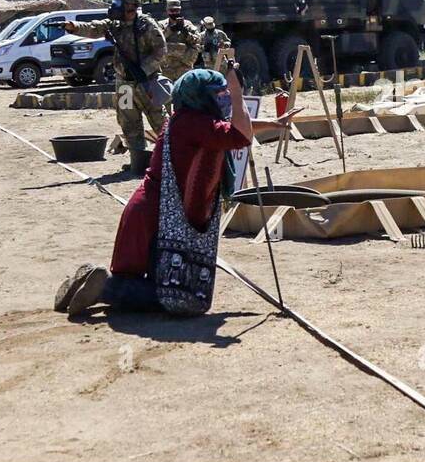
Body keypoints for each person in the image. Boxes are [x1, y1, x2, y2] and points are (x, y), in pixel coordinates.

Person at [55, 67, 299, 316]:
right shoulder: (192, 123)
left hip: (153, 211)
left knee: (152, 285)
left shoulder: (188, 118)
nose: (224, 98)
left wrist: (272, 123)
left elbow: (229, 129)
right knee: (178, 297)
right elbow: (238, 134)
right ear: (201, 97)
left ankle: (91, 282)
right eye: (219, 93)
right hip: (156, 217)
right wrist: (238, 93)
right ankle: (104, 287)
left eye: (225, 92)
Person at [65, 0, 168, 174]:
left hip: (147, 83)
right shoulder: (115, 24)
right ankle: (138, 161)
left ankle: (171, 161)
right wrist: (73, 26)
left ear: (130, 5)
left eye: (119, 3)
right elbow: (96, 27)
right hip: (124, 85)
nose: (115, 7)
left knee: (161, 122)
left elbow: (160, 51)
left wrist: (143, 71)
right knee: (128, 122)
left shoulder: (147, 25)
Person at [159, 0, 202, 83]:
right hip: (166, 67)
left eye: (177, 10)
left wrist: (185, 32)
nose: (174, 13)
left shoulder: (187, 24)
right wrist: (170, 30)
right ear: (167, 11)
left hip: (184, 65)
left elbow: (197, 40)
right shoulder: (161, 25)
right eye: (172, 10)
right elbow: (156, 40)